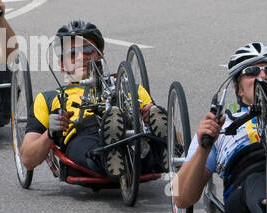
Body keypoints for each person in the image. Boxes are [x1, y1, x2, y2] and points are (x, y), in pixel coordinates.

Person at [20, 20, 167, 177]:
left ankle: (165, 149)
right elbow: (27, 159)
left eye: (89, 50)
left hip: (130, 128)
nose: (82, 56)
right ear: (62, 64)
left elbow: (164, 125)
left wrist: (148, 116)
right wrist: (50, 133)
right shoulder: (49, 98)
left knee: (154, 118)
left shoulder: (129, 87)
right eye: (72, 53)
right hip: (83, 133)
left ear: (100, 55)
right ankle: (112, 153)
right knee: (90, 148)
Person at [172, 42, 267, 213]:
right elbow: (181, 199)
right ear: (239, 89)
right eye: (251, 71)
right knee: (256, 181)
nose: (263, 75)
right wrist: (205, 148)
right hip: (247, 181)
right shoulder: (220, 125)